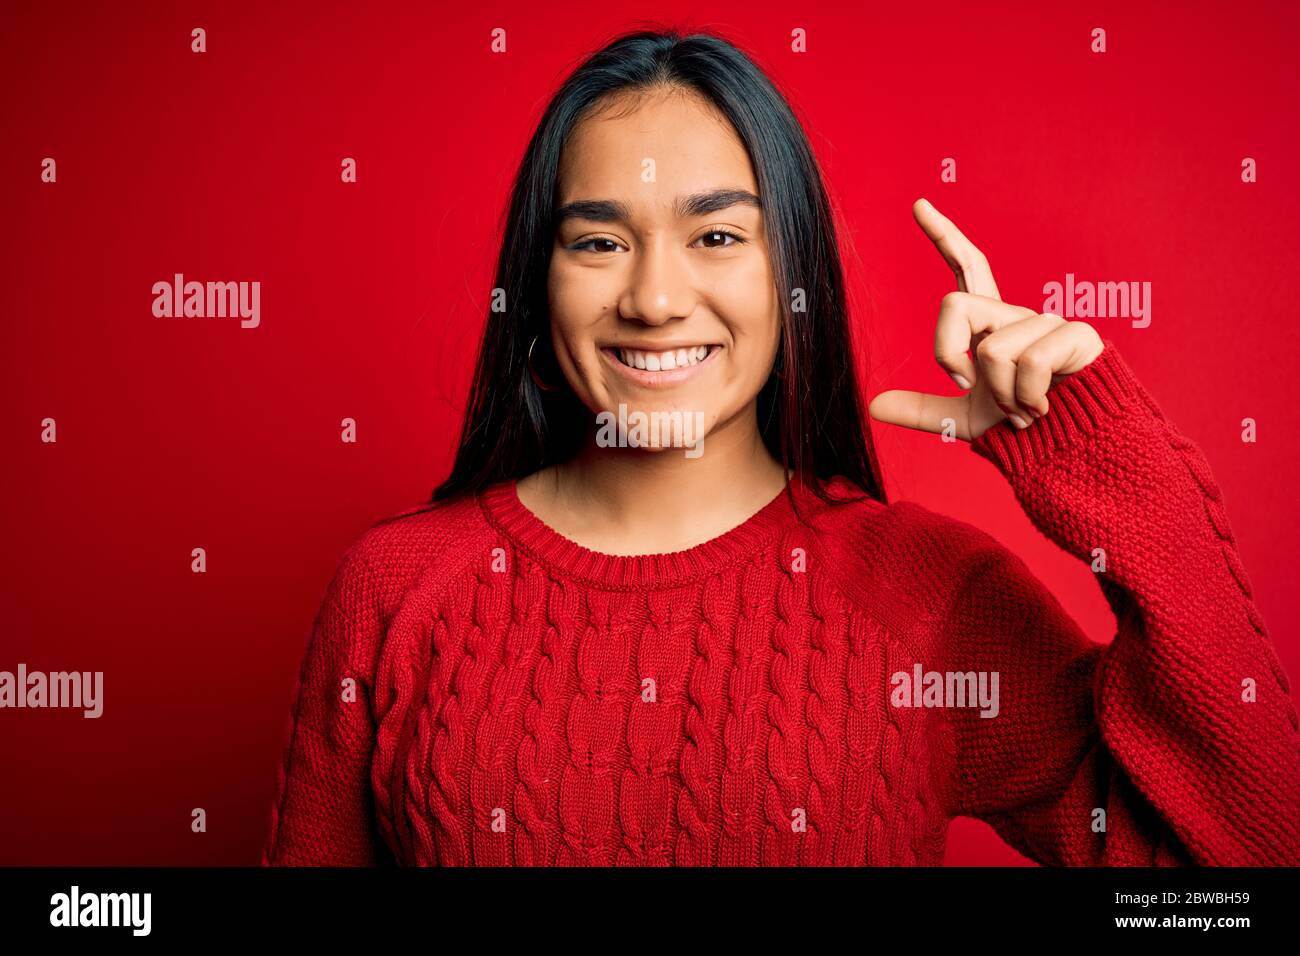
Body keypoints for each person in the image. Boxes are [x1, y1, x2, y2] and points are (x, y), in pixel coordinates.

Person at [260, 27, 1300, 866]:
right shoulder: (394, 589)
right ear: (538, 282)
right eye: (598, 240)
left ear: (792, 277)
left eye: (717, 235)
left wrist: (1115, 467)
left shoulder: (930, 594)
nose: (656, 298)